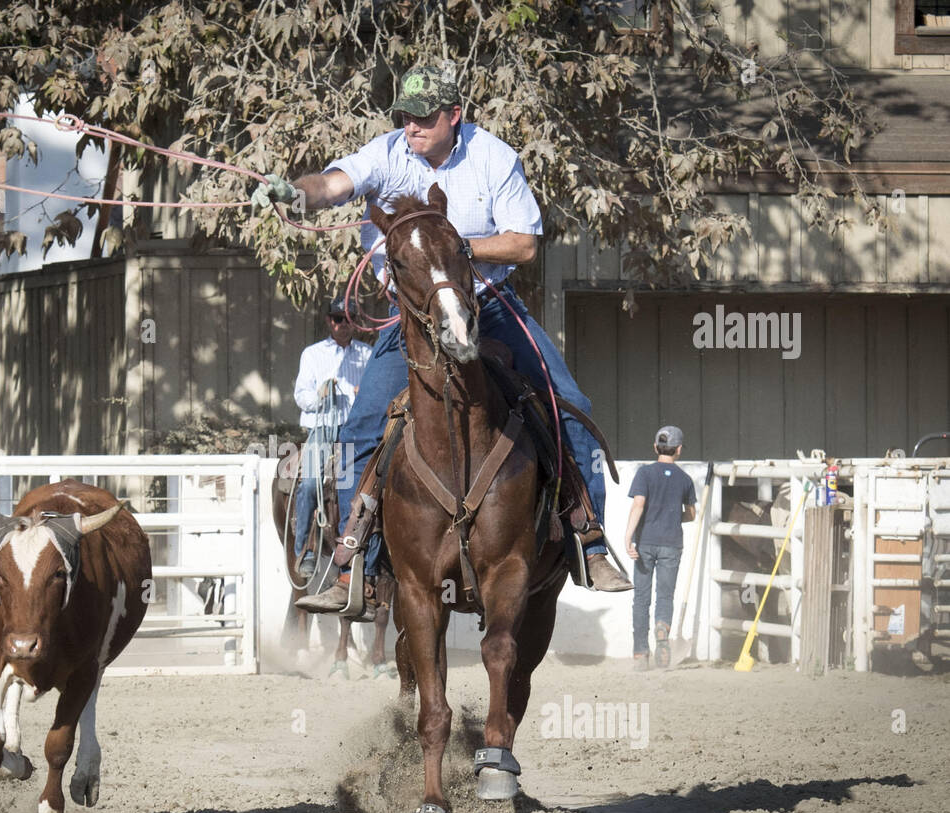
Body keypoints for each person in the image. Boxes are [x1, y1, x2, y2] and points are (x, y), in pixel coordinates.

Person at [251, 63, 633, 617]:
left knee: (571, 406)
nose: (412, 127)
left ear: (455, 115)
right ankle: (354, 563)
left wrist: (456, 250)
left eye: (425, 117)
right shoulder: (385, 153)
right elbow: (332, 184)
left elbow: (524, 244)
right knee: (360, 429)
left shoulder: (494, 158)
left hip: (490, 306)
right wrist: (295, 193)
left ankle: (589, 540)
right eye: (406, 117)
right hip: (410, 318)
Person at [291, 296, 372, 577]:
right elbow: (301, 396)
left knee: (362, 488)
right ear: (329, 321)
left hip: (354, 432)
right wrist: (320, 395)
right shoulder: (312, 355)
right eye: (338, 319)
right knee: (312, 483)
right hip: (323, 429)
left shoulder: (367, 355)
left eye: (348, 319)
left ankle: (364, 552)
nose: (342, 325)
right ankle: (304, 550)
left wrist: (365, 396)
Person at [624, 425, 697, 670]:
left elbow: (638, 506)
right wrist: (673, 514)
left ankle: (640, 654)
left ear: (656, 447)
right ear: (679, 450)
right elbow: (691, 514)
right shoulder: (685, 479)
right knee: (665, 596)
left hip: (645, 543)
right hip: (672, 544)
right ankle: (663, 629)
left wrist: (628, 537)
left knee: (641, 599)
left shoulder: (644, 474)